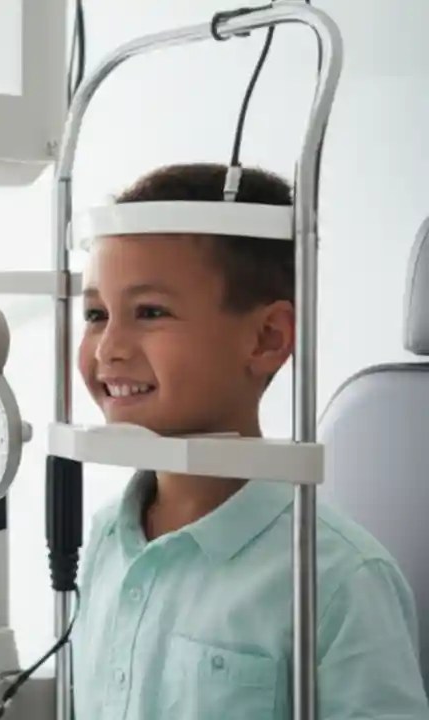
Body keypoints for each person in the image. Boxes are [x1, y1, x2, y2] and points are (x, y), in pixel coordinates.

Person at [71, 163, 429, 718]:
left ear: (266, 338)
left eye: (150, 312)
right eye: (96, 314)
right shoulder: (104, 542)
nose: (108, 348)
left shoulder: (337, 580)